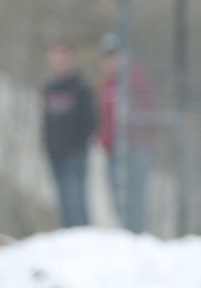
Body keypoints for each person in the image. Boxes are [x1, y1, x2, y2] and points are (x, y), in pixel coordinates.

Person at [97, 32, 158, 233]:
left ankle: (136, 237)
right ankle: (125, 235)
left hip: (137, 149)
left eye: (114, 55)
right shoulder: (107, 84)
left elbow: (149, 110)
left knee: (136, 200)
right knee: (118, 199)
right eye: (107, 56)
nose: (110, 61)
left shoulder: (136, 78)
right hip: (114, 151)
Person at [40, 42, 97, 228]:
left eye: (62, 60)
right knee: (63, 205)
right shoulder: (49, 88)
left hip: (75, 156)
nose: (58, 64)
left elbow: (90, 121)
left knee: (77, 203)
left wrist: (77, 146)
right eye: (55, 60)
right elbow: (46, 122)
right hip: (55, 155)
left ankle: (84, 239)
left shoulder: (80, 89)